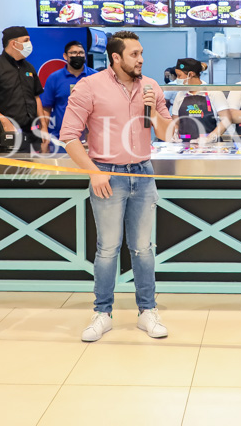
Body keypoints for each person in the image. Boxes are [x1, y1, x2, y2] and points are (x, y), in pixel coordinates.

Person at [59, 30, 172, 342]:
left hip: (144, 172)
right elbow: (69, 135)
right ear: (116, 57)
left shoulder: (151, 86)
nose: (141, 59)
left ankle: (147, 311)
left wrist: (151, 110)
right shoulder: (89, 86)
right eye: (134, 54)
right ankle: (102, 313)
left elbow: (168, 134)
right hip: (107, 174)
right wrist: (94, 172)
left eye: (141, 53)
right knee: (107, 248)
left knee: (143, 248)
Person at [0, 26, 45, 152]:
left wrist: (44, 127)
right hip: (7, 135)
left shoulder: (29, 68)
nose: (29, 44)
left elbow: (36, 97)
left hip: (33, 134)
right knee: (12, 170)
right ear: (14, 43)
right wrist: (4, 121)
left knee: (35, 170)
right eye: (26, 40)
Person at [39, 40, 97, 147]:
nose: (77, 55)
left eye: (81, 53)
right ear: (65, 56)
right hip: (60, 139)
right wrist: (44, 131)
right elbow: (46, 108)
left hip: (91, 139)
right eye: (73, 53)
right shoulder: (54, 78)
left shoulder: (96, 77)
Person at [170, 58, 232, 143]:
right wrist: (175, 135)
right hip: (185, 147)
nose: (177, 79)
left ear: (190, 74)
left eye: (179, 75)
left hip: (210, 148)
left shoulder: (213, 92)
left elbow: (226, 120)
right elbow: (176, 122)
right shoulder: (180, 94)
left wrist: (209, 138)